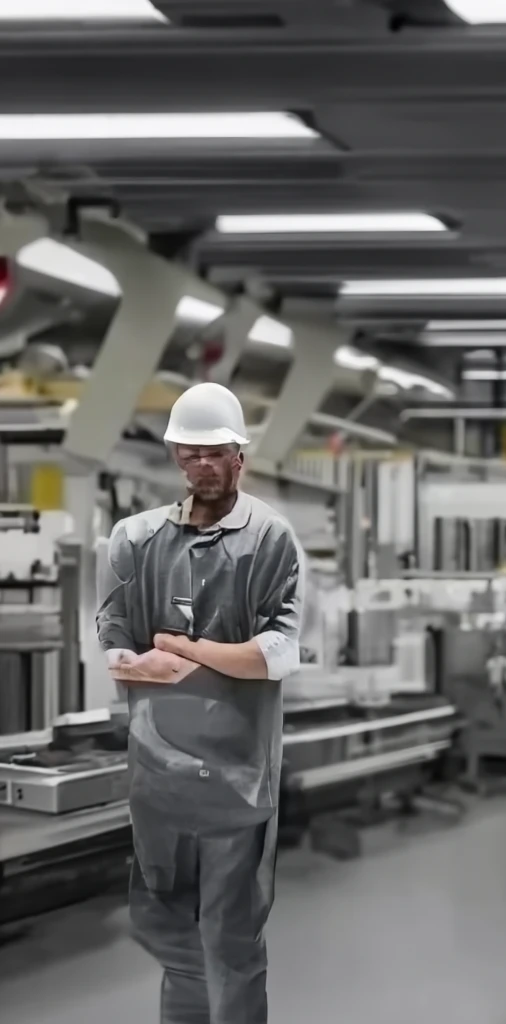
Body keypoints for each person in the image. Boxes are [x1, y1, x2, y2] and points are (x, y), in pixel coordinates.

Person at [96, 381, 304, 1024]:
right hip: (159, 781)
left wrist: (184, 647)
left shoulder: (269, 538)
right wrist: (144, 657)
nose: (201, 467)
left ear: (239, 455)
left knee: (233, 941)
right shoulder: (135, 540)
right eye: (188, 455)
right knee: (176, 943)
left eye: (214, 454)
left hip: (237, 781)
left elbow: (276, 654)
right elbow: (115, 645)